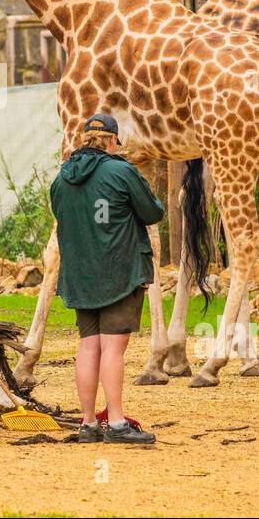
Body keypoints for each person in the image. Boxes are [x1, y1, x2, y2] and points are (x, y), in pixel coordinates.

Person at [50, 114, 164, 444]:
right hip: (119, 272)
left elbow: (62, 217)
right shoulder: (120, 170)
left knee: (88, 347)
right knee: (113, 350)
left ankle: (87, 424)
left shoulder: (62, 178)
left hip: (80, 277)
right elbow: (153, 212)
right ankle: (116, 423)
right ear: (112, 141)